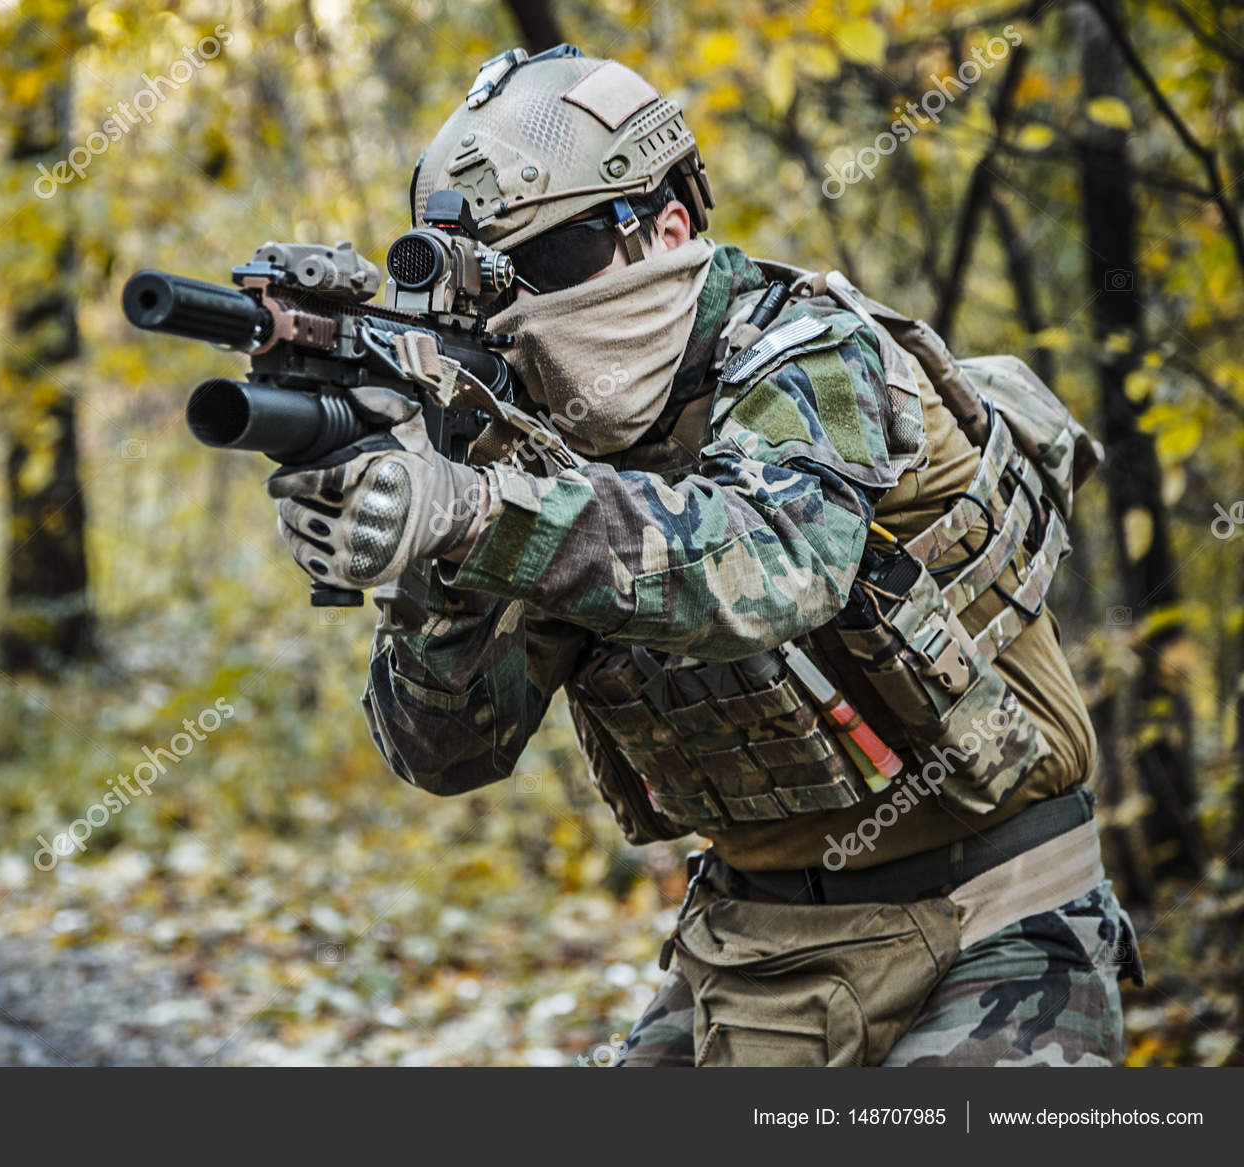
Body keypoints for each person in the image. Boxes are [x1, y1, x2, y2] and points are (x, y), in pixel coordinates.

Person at [266, 45, 1143, 1066]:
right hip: (747, 946)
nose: (514, 313)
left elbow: (777, 564)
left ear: (665, 229)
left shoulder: (812, 351)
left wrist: (475, 511)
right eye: (488, 288)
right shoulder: (543, 444)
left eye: (543, 266)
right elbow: (447, 752)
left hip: (991, 924)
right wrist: (420, 533)